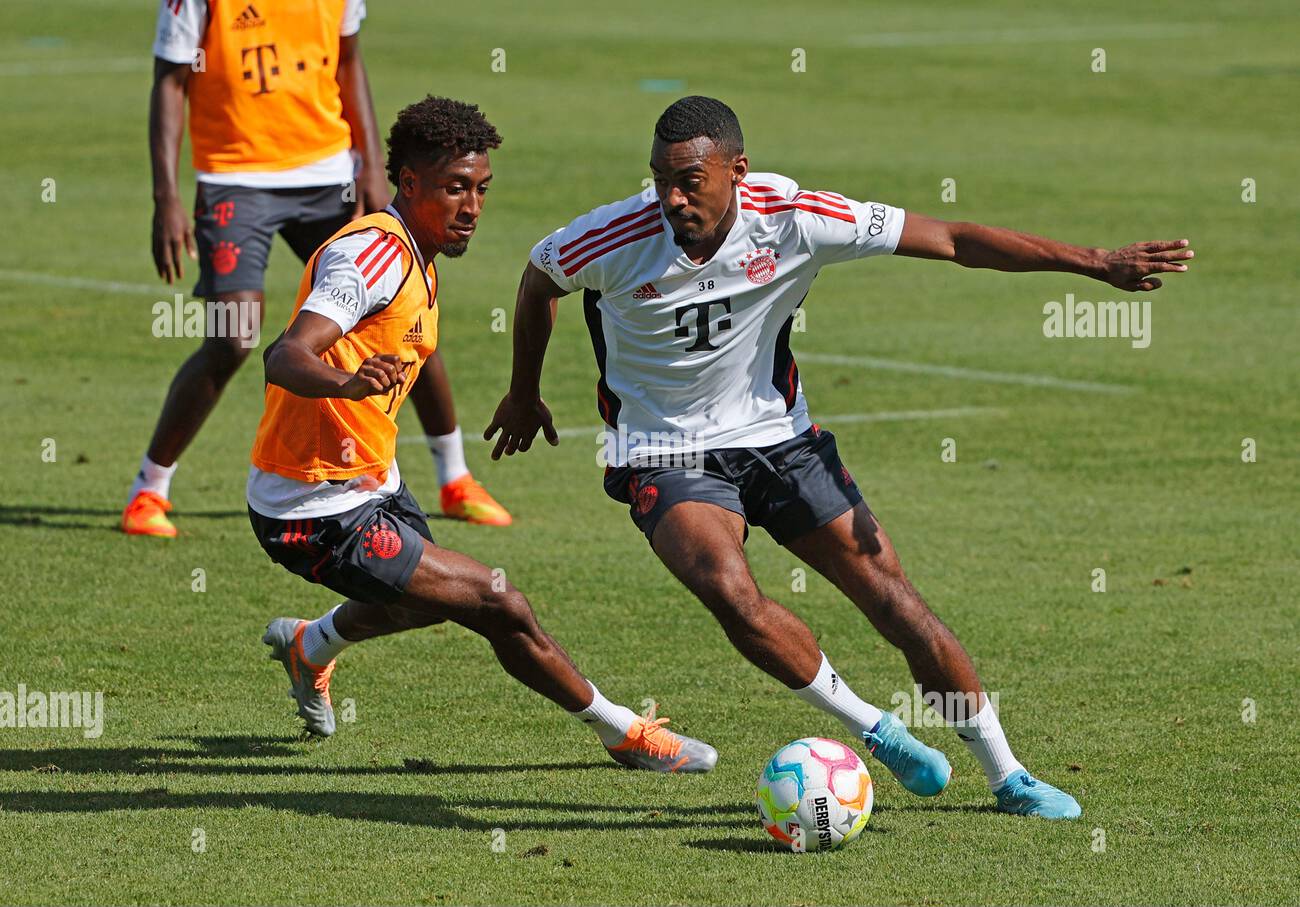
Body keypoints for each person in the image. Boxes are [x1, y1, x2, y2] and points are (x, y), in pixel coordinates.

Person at [485, 95, 1195, 819]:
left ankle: (1007, 774)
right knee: (731, 594)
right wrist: (522, 392)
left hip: (780, 441)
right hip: (663, 451)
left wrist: (1095, 262)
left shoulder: (794, 216)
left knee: (896, 602)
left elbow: (951, 239)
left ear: (738, 170)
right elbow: (539, 280)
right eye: (661, 179)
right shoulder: (610, 237)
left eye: (690, 180)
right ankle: (875, 730)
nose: (672, 198)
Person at [248, 95, 716, 774]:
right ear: (409, 184)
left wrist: (519, 394)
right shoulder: (370, 260)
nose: (472, 206)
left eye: (481, 189)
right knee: (497, 602)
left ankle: (309, 647)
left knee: (424, 606)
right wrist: (344, 383)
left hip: (372, 482)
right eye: (454, 189)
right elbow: (287, 354)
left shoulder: (417, 253)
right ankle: (625, 734)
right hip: (312, 508)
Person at [123, 0, 510, 539]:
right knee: (232, 337)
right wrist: (166, 196)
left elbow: (348, 62)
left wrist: (372, 169)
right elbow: (170, 81)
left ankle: (455, 476)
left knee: (402, 313)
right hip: (236, 177)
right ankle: (150, 487)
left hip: (330, 172)